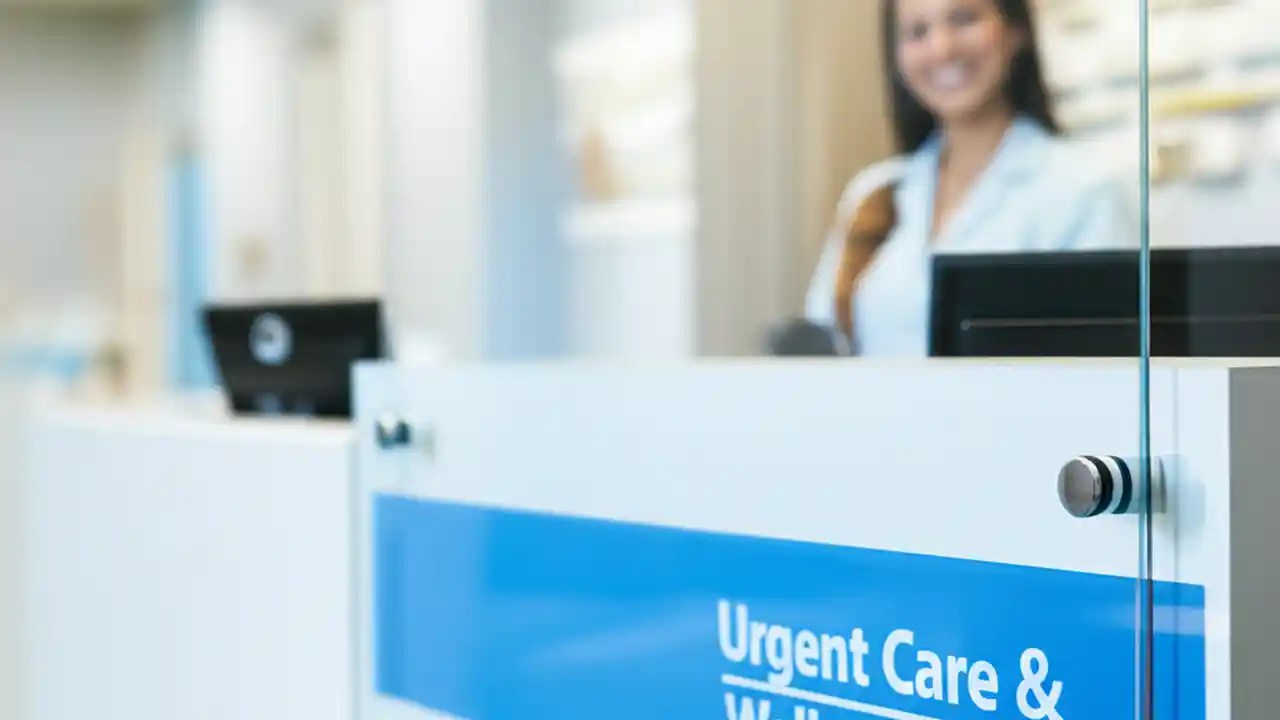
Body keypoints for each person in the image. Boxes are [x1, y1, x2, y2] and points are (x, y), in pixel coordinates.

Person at [805, 0, 1132, 356]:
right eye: (917, 32)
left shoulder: (1082, 190)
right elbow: (823, 346)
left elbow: (1103, 366)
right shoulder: (874, 194)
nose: (942, 48)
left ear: (1015, 30)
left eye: (964, 19)